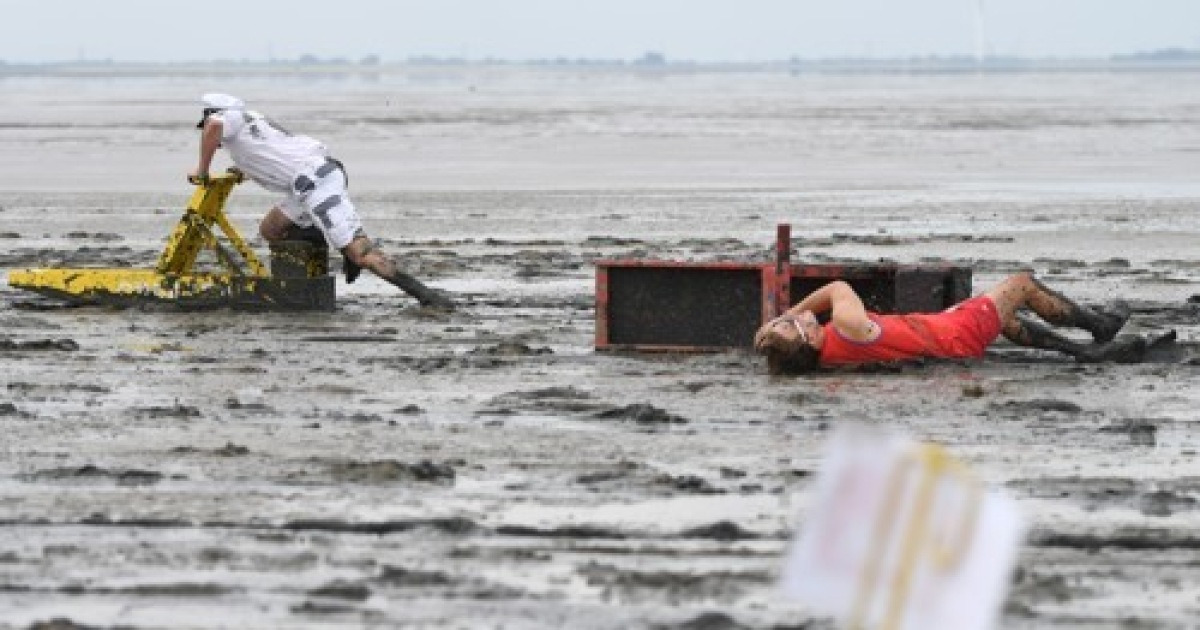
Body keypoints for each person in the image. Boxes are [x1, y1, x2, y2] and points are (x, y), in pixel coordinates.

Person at [189, 93, 453, 309]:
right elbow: (272, 156)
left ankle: (427, 297)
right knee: (271, 230)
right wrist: (242, 172)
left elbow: (214, 127)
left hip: (316, 183)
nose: (207, 135)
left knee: (361, 253)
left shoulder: (228, 118)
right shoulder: (252, 125)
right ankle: (318, 262)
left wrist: (202, 170)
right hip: (304, 185)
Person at [753, 272, 1164, 374]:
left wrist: (781, 331)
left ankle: (1079, 352)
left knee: (1004, 320)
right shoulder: (846, 324)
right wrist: (789, 312)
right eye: (784, 327)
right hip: (953, 336)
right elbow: (838, 287)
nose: (783, 321)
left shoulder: (823, 359)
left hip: (942, 339)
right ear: (805, 335)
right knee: (1020, 286)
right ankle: (1100, 327)